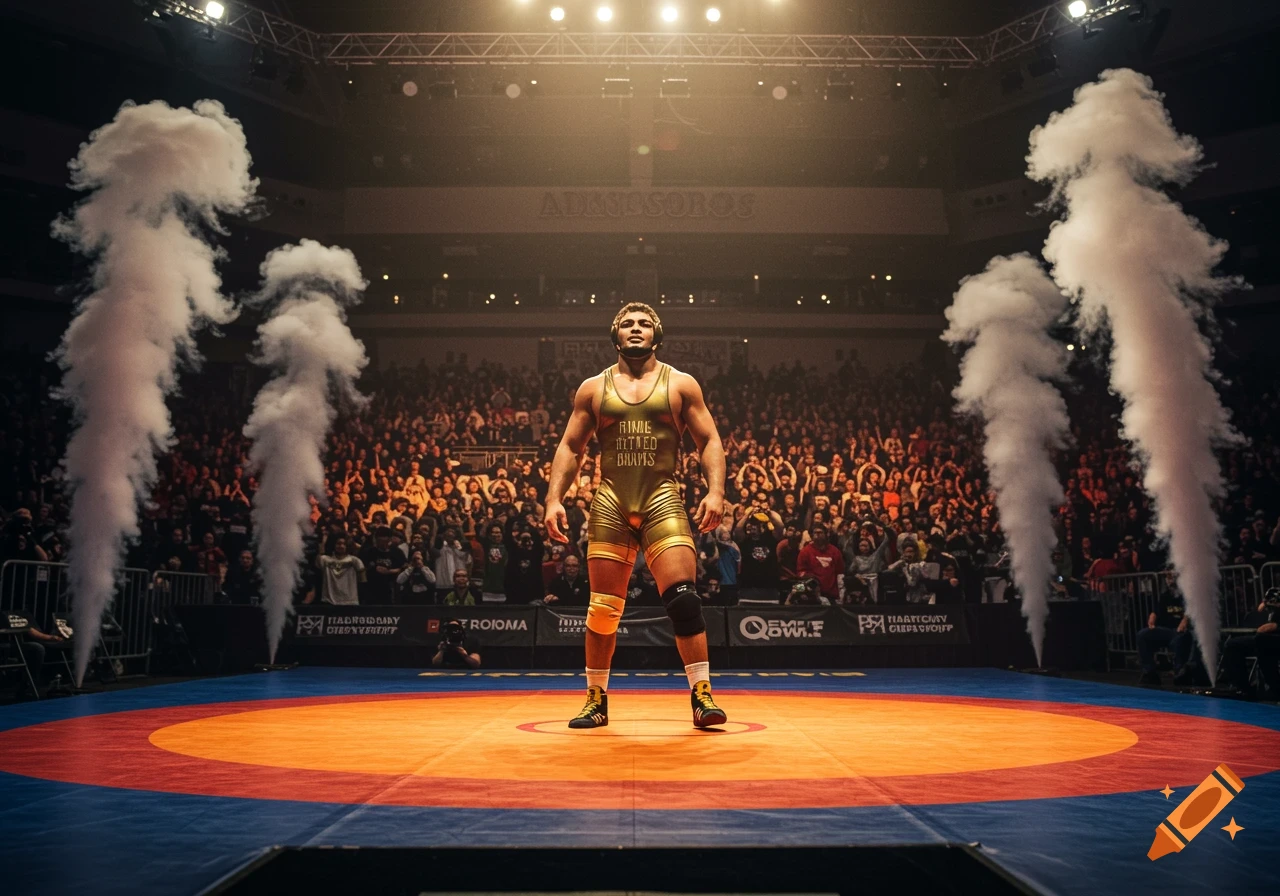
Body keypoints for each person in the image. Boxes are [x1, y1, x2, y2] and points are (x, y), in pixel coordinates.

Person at [545, 302, 728, 729]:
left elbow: (709, 440)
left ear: (656, 334)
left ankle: (702, 695)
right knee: (603, 609)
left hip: (661, 498)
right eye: (627, 323)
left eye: (644, 323)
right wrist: (554, 498)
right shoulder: (593, 388)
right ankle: (595, 699)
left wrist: (716, 491)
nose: (635, 328)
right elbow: (570, 446)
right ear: (615, 334)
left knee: (683, 599)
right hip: (611, 502)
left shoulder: (680, 383)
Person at [1222, 589, 1280, 698]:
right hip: (1266, 639)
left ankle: (1275, 688)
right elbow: (1261, 612)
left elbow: (1270, 627)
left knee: (1263, 642)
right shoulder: (1272, 609)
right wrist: (1267, 603)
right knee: (1233, 645)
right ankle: (1243, 688)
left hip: (1271, 641)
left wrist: (1276, 626)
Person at [317, 536, 365, 605]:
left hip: (350, 602)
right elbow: (318, 558)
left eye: (344, 544)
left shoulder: (355, 561)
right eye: (338, 543)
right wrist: (323, 542)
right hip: (329, 602)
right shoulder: (325, 560)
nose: (341, 546)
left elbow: (363, 581)